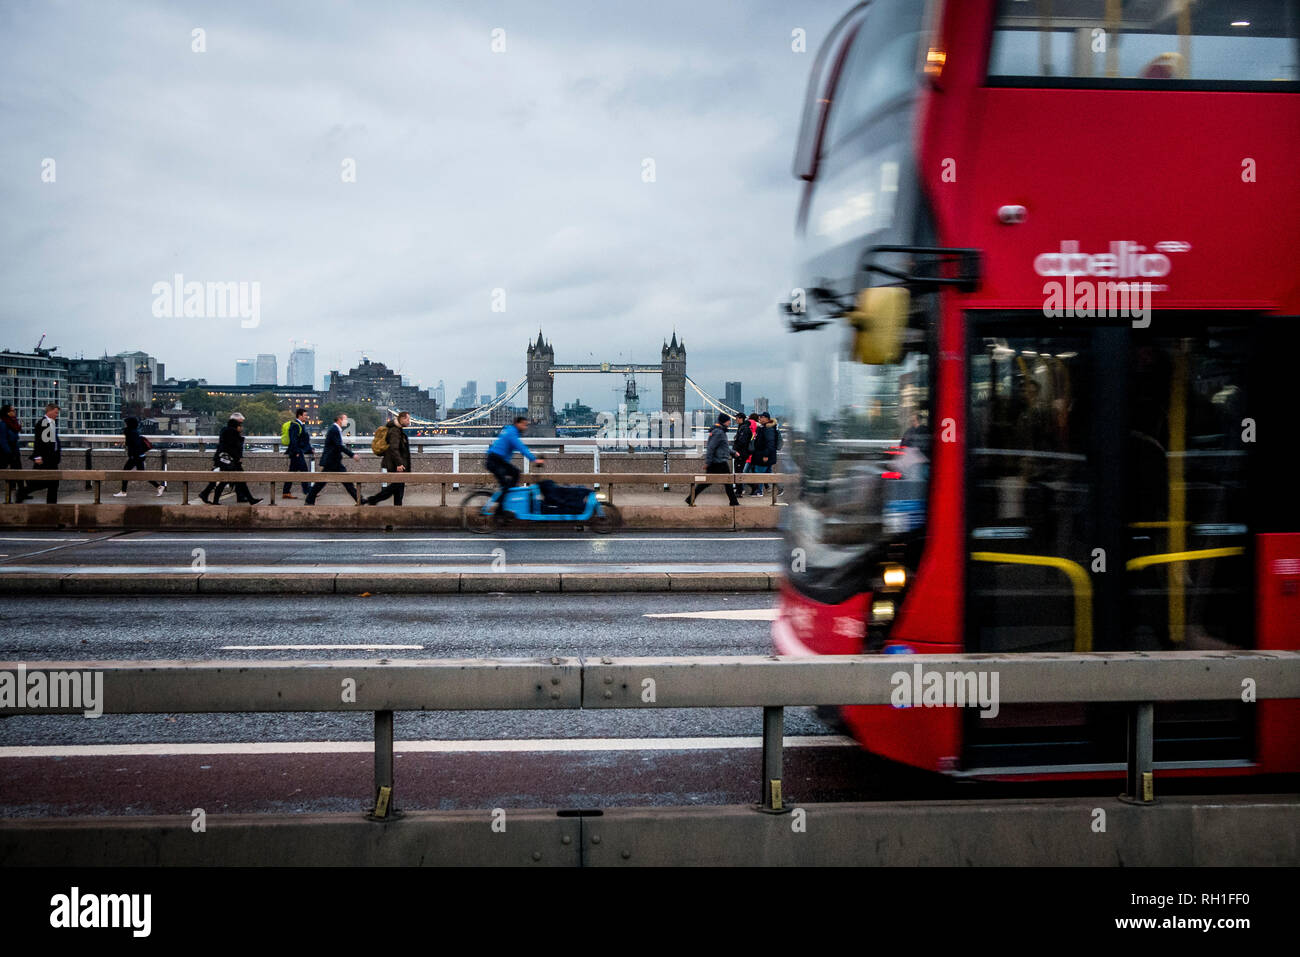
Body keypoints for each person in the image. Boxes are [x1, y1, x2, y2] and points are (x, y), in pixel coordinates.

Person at [199, 413, 261, 505]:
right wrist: (238, 457)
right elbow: (232, 447)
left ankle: (208, 496)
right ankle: (249, 499)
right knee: (230, 479)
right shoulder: (232, 432)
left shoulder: (225, 430)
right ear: (236, 424)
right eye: (240, 424)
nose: (242, 426)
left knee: (229, 479)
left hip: (224, 459)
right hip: (229, 461)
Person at [305, 411, 360, 505]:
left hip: (333, 461)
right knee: (343, 482)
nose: (346, 421)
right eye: (345, 419)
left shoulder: (335, 429)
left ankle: (309, 500)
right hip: (332, 461)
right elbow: (339, 446)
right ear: (339, 420)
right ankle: (359, 500)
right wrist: (352, 455)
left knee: (325, 482)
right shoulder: (334, 430)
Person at [686, 412, 739, 506]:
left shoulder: (719, 431)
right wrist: (708, 462)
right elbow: (711, 447)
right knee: (727, 482)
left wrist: (734, 453)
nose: (729, 423)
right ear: (724, 422)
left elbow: (723, 447)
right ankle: (734, 502)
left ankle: (690, 498)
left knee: (708, 482)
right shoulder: (719, 432)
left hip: (717, 461)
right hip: (719, 462)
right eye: (728, 421)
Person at [485, 416, 544, 500]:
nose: (525, 427)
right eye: (523, 425)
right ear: (517, 423)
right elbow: (521, 448)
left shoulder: (510, 430)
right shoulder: (512, 433)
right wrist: (534, 460)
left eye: (526, 425)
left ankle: (505, 499)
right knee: (513, 476)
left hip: (495, 459)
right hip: (495, 460)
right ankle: (502, 506)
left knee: (512, 477)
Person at [364, 411, 411, 505]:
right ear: (401, 419)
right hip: (396, 465)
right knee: (395, 487)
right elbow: (394, 449)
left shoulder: (398, 430)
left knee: (398, 489)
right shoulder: (395, 431)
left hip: (397, 464)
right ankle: (373, 500)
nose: (409, 421)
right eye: (408, 419)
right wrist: (399, 464)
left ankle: (397, 509)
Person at [113, 416, 165, 497]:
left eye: (126, 423)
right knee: (142, 474)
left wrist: (132, 454)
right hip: (140, 455)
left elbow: (133, 445)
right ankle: (159, 487)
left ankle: (123, 492)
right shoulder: (134, 431)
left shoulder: (130, 432)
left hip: (135, 456)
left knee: (125, 472)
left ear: (129, 424)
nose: (125, 424)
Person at [30, 402, 62, 504]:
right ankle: (22, 492)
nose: (57, 415)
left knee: (53, 483)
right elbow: (39, 442)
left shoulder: (51, 423)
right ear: (49, 411)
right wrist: (38, 456)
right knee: (41, 483)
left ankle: (52, 505)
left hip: (52, 458)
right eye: (56, 412)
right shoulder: (43, 423)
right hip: (46, 459)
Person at [281, 408, 314, 499]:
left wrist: (309, 449)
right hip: (296, 453)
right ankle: (307, 491)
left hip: (297, 452)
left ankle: (286, 492)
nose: (306, 417)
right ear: (299, 416)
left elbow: (301, 440)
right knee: (304, 470)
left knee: (292, 472)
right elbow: (293, 440)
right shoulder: (295, 425)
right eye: (305, 415)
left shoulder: (300, 424)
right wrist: (296, 452)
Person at [1, 403, 29, 503]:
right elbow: (3, 440)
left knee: (19, 473)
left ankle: (21, 494)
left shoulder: (13, 423)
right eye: (13, 410)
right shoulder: (3, 424)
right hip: (7, 453)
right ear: (8, 413)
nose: (15, 412)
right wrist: (9, 453)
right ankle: (9, 498)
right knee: (10, 476)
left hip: (15, 451)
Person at [732, 412, 758, 499]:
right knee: (739, 472)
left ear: (741, 418)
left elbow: (742, 442)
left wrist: (735, 448)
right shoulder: (742, 427)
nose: (736, 420)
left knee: (739, 472)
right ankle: (744, 489)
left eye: (737, 418)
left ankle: (742, 490)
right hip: (741, 453)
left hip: (741, 454)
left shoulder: (745, 429)